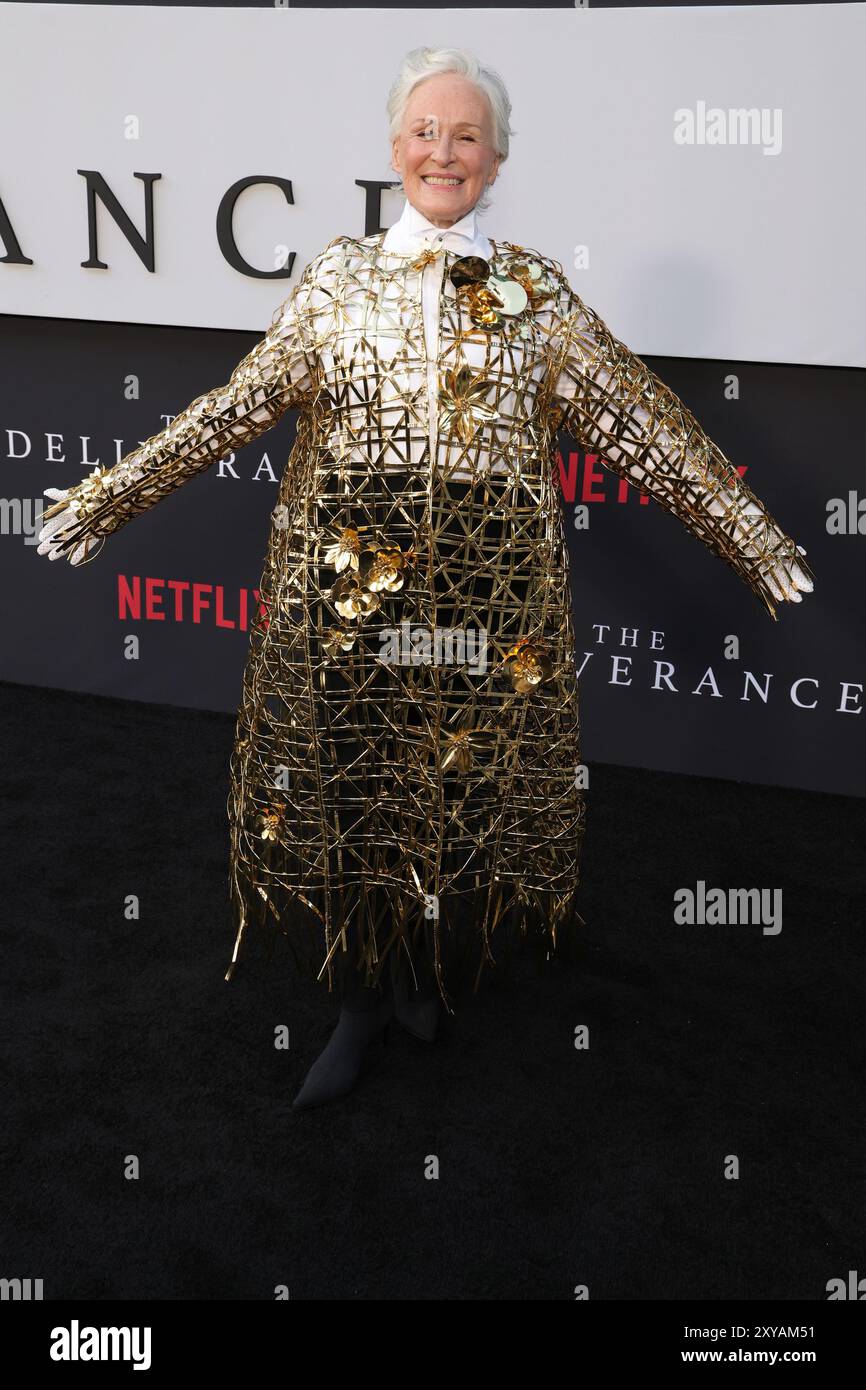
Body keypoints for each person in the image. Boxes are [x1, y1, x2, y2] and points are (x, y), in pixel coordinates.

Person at [37, 46, 814, 1111]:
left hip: (486, 592)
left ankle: (419, 973)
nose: (440, 151)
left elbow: (645, 426)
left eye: (463, 135)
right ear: (393, 148)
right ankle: (362, 1000)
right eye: (422, 131)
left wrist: (754, 539)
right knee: (355, 796)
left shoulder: (535, 293)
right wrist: (108, 497)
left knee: (454, 795)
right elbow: (240, 404)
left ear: (494, 158)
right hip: (349, 581)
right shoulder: (337, 280)